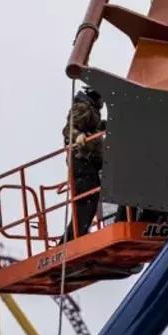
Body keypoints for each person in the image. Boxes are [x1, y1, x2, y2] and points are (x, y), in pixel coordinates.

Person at [63, 87, 104, 239]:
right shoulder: (82, 107)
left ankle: (75, 236)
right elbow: (69, 129)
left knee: (90, 202)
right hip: (82, 162)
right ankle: (70, 241)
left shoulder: (91, 110)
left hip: (90, 163)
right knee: (85, 204)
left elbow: (94, 128)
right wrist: (78, 136)